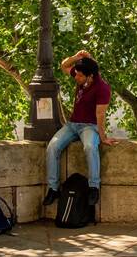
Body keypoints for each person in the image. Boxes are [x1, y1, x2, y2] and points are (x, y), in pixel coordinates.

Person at [43, 50, 114, 208]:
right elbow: (64, 65)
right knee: (52, 146)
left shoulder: (102, 88)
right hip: (73, 124)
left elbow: (100, 116)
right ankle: (53, 189)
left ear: (90, 76)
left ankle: (94, 187)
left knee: (89, 146)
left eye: (80, 76)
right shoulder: (81, 75)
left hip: (90, 126)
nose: (76, 77)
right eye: (76, 74)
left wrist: (102, 137)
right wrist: (77, 57)